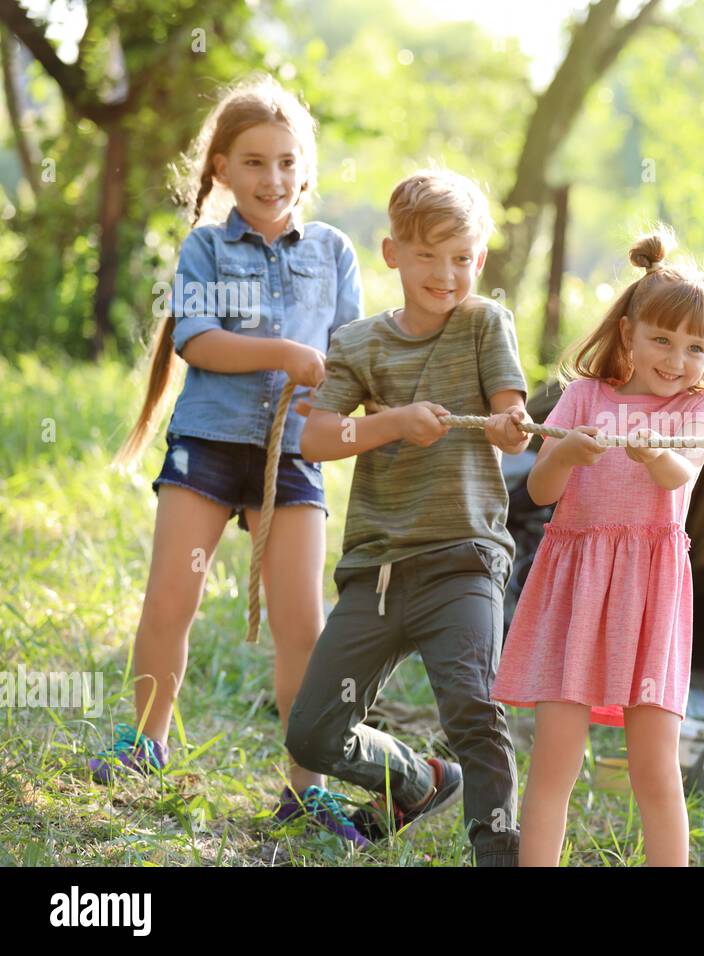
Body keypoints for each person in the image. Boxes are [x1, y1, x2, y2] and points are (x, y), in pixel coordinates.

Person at [94, 75, 364, 841]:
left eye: (286, 162)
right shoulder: (205, 248)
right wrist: (284, 352)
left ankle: (303, 787)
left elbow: (347, 356)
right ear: (219, 168)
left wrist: (347, 404)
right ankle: (146, 743)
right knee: (169, 602)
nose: (271, 179)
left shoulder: (335, 253)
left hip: (291, 459)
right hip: (209, 444)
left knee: (301, 627)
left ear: (305, 168)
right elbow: (199, 342)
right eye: (252, 162)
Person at [287, 168, 530, 863]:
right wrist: (391, 423)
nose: (445, 273)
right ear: (392, 253)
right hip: (380, 568)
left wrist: (512, 427)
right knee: (312, 732)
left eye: (461, 258)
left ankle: (499, 851)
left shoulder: (486, 322)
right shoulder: (360, 342)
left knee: (474, 710)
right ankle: (416, 779)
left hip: (465, 558)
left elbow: (510, 411)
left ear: (479, 261)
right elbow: (315, 437)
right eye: (426, 254)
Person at [491, 227, 704, 866]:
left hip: (650, 592)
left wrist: (654, 452)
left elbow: (680, 475)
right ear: (628, 332)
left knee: (654, 768)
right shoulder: (583, 397)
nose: (676, 358)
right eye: (661, 339)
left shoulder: (701, 409)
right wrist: (568, 453)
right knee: (555, 760)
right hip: (575, 582)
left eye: (696, 347)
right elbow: (544, 491)